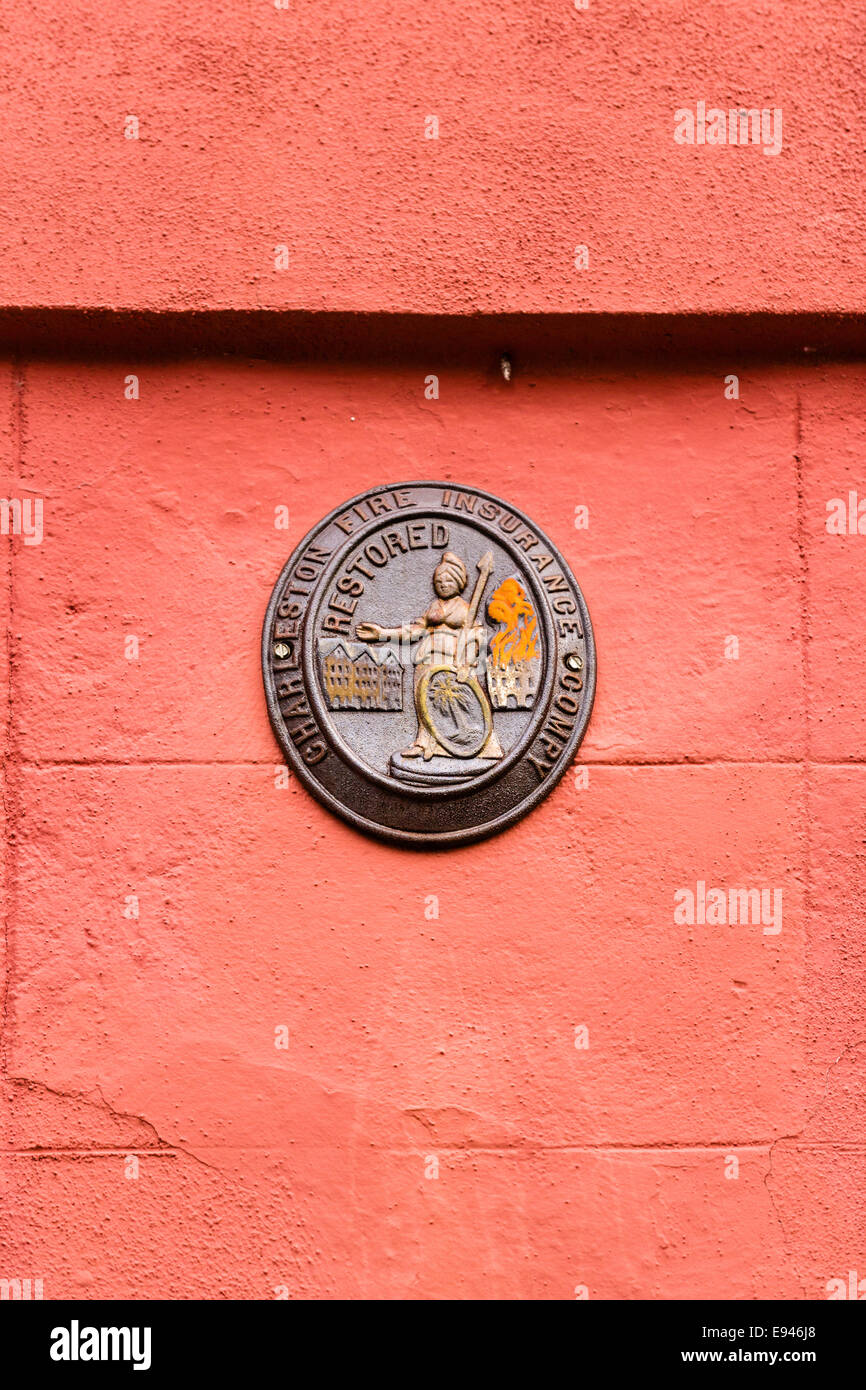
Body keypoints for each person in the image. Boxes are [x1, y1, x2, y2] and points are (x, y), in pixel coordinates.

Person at [356, 551, 502, 761]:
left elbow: (476, 636)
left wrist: (468, 662)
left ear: (459, 583)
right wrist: (382, 633)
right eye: (439, 581)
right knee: (423, 700)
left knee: (458, 700)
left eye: (448, 580)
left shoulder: (465, 608)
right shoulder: (433, 607)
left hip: (453, 659)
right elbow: (414, 630)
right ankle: (424, 744)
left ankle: (477, 745)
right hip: (427, 658)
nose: (443, 584)